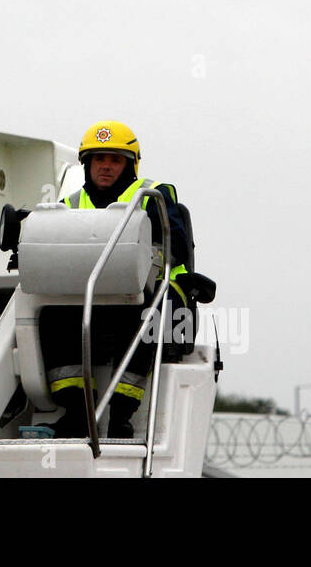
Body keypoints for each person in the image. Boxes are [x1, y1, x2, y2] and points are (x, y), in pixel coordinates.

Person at [39, 120, 193, 438]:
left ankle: (122, 414)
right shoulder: (68, 205)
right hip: (91, 298)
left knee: (142, 312)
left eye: (115, 160)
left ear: (130, 165)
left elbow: (175, 245)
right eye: (99, 159)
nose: (106, 167)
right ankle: (77, 410)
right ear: (87, 164)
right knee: (51, 314)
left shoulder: (154, 195)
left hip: (152, 295)